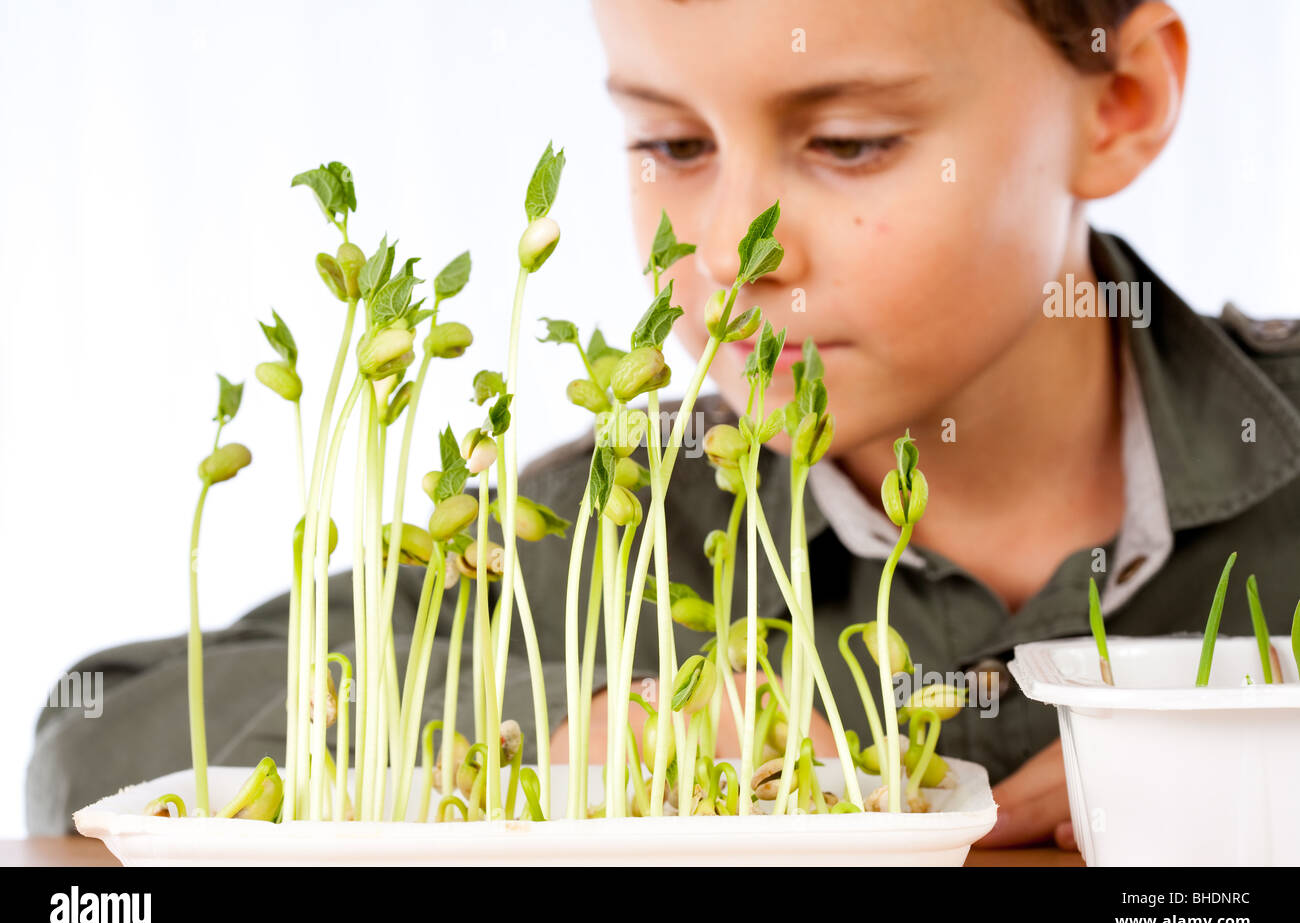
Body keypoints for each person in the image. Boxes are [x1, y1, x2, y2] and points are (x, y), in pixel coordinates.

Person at [28, 0, 1300, 850]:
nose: (732, 256)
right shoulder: (595, 528)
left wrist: (1252, 771)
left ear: (1119, 101)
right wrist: (596, 730)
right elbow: (99, 727)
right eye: (673, 143)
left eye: (850, 144)